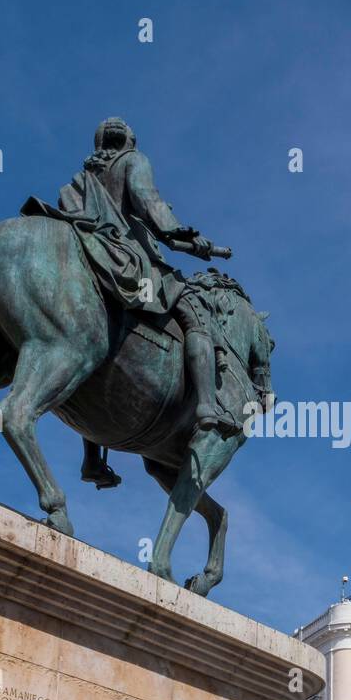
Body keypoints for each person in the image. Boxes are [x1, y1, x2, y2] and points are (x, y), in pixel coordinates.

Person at [71, 118, 237, 489]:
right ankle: (208, 405)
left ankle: (92, 457)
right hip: (131, 258)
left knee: (83, 336)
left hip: (93, 253)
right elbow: (151, 205)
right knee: (196, 314)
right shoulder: (134, 160)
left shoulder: (87, 174)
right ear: (129, 140)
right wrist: (192, 240)